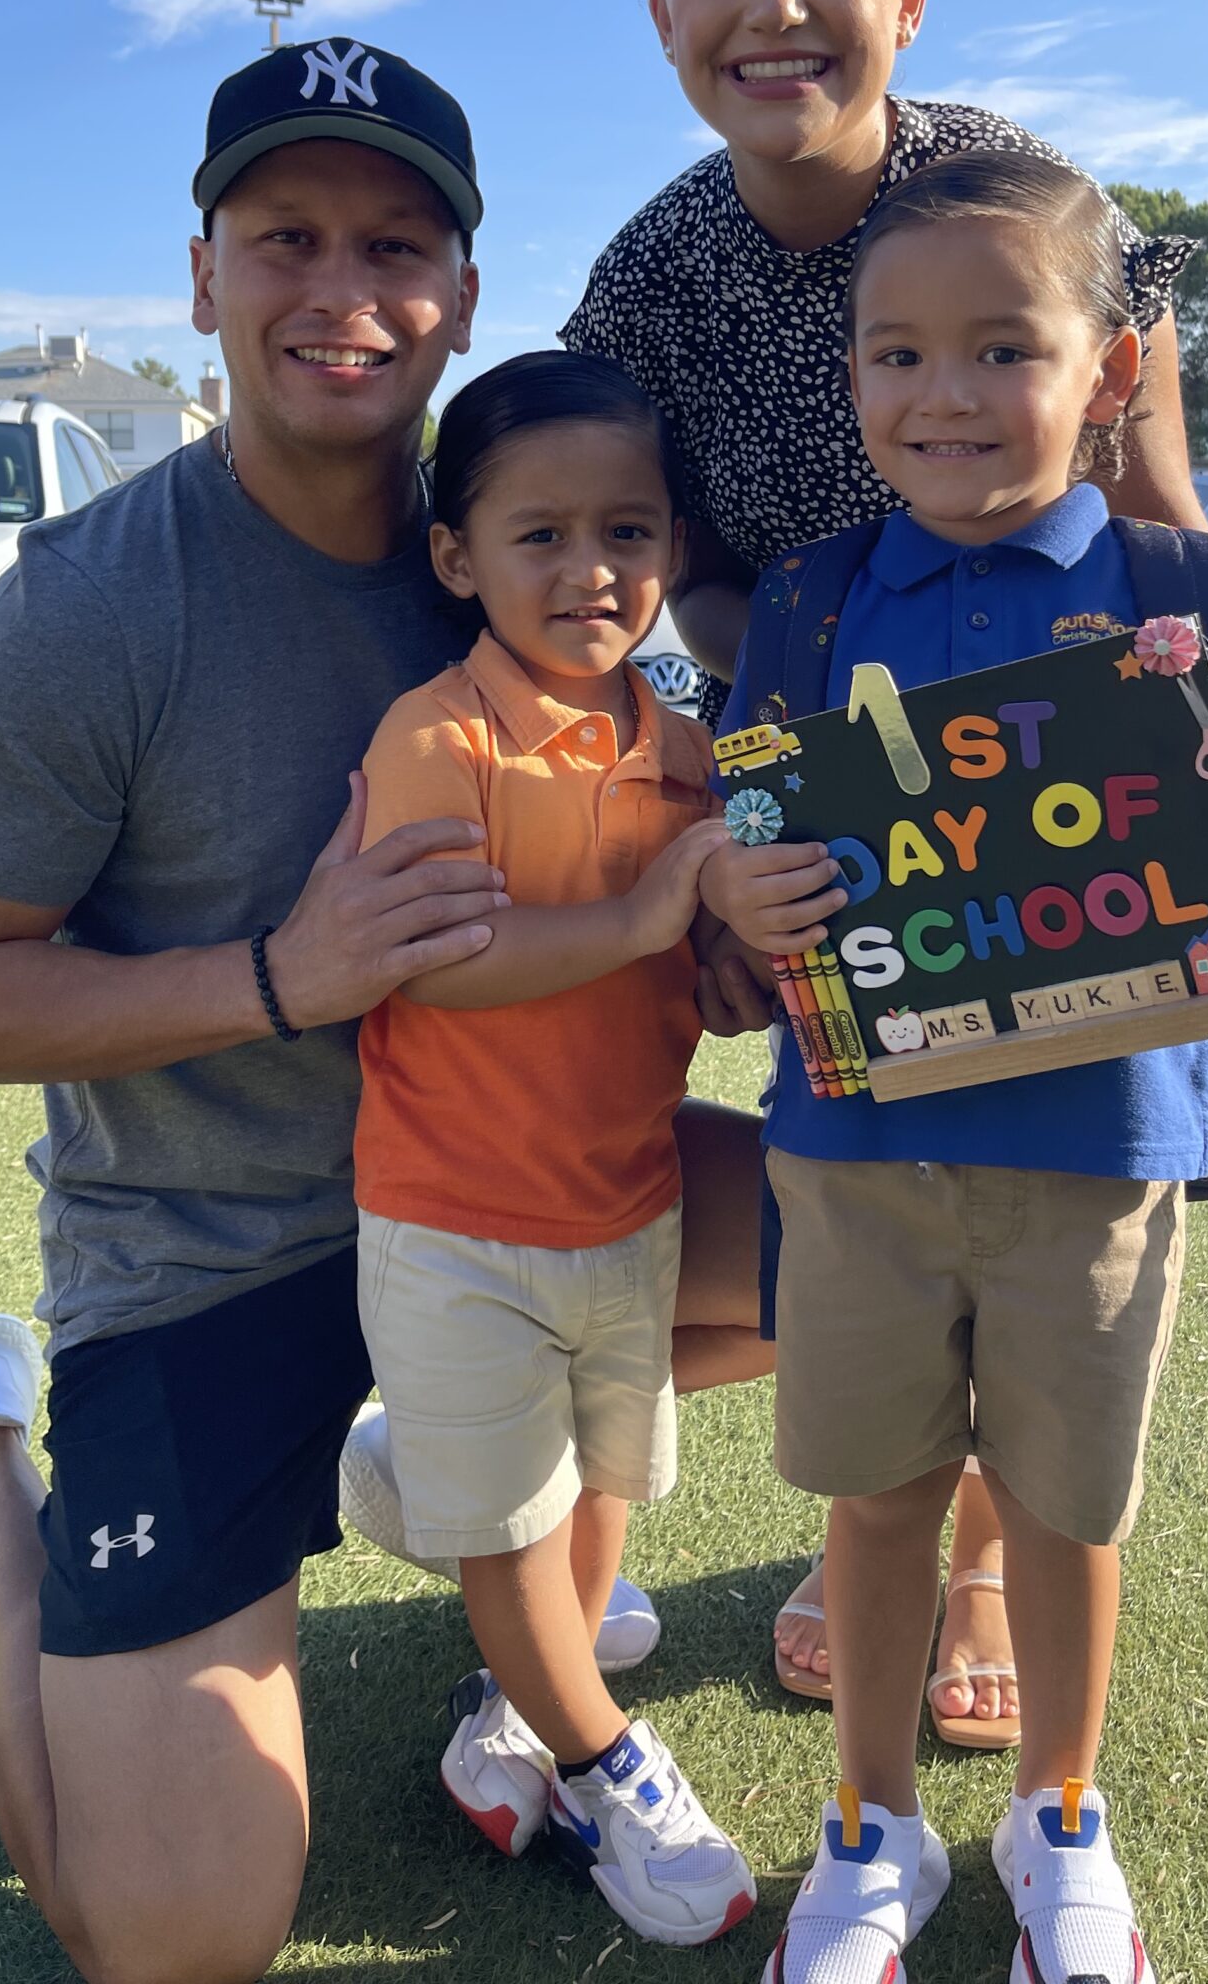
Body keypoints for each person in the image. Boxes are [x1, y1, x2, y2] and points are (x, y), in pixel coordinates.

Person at [0, 42, 767, 1984]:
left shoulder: (540, 548)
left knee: (881, 1249)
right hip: (208, 1254)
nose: (343, 290)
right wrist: (285, 970)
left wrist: (703, 937)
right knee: (176, 1933)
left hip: (507, 1192)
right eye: (287, 238)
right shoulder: (89, 608)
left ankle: (448, 1511)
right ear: (202, 277)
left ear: (459, 294)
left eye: (397, 243)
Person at [562, 0, 1208, 1738]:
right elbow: (634, 570)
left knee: (1068, 1153)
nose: (776, 5)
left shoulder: (1002, 176)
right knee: (876, 1156)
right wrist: (734, 785)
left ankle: (987, 1542)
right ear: (664, 16)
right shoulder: (648, 278)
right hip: (834, 755)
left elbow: (1153, 496)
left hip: (1064, 752)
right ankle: (883, 1498)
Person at [700, 149, 1208, 1984]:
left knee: (1061, 1510)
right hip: (855, 1151)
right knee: (880, 1499)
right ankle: (868, 1822)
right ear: (855, 384)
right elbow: (746, 857)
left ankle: (1061, 1812)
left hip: (1103, 1147)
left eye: (1001, 349)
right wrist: (735, 884)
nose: (945, 396)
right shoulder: (810, 609)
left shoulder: (1185, 587)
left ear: (1107, 374)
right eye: (898, 355)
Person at [350, 351, 755, 1943]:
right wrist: (653, 912)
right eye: (540, 535)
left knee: (599, 1487)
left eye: (629, 532)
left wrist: (718, 967)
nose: (592, 571)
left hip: (627, 1191)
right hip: (454, 1210)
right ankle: (602, 1752)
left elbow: (698, 976)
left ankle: (519, 1699)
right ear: (457, 556)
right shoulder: (437, 739)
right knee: (519, 1522)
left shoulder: (693, 749)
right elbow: (437, 955)